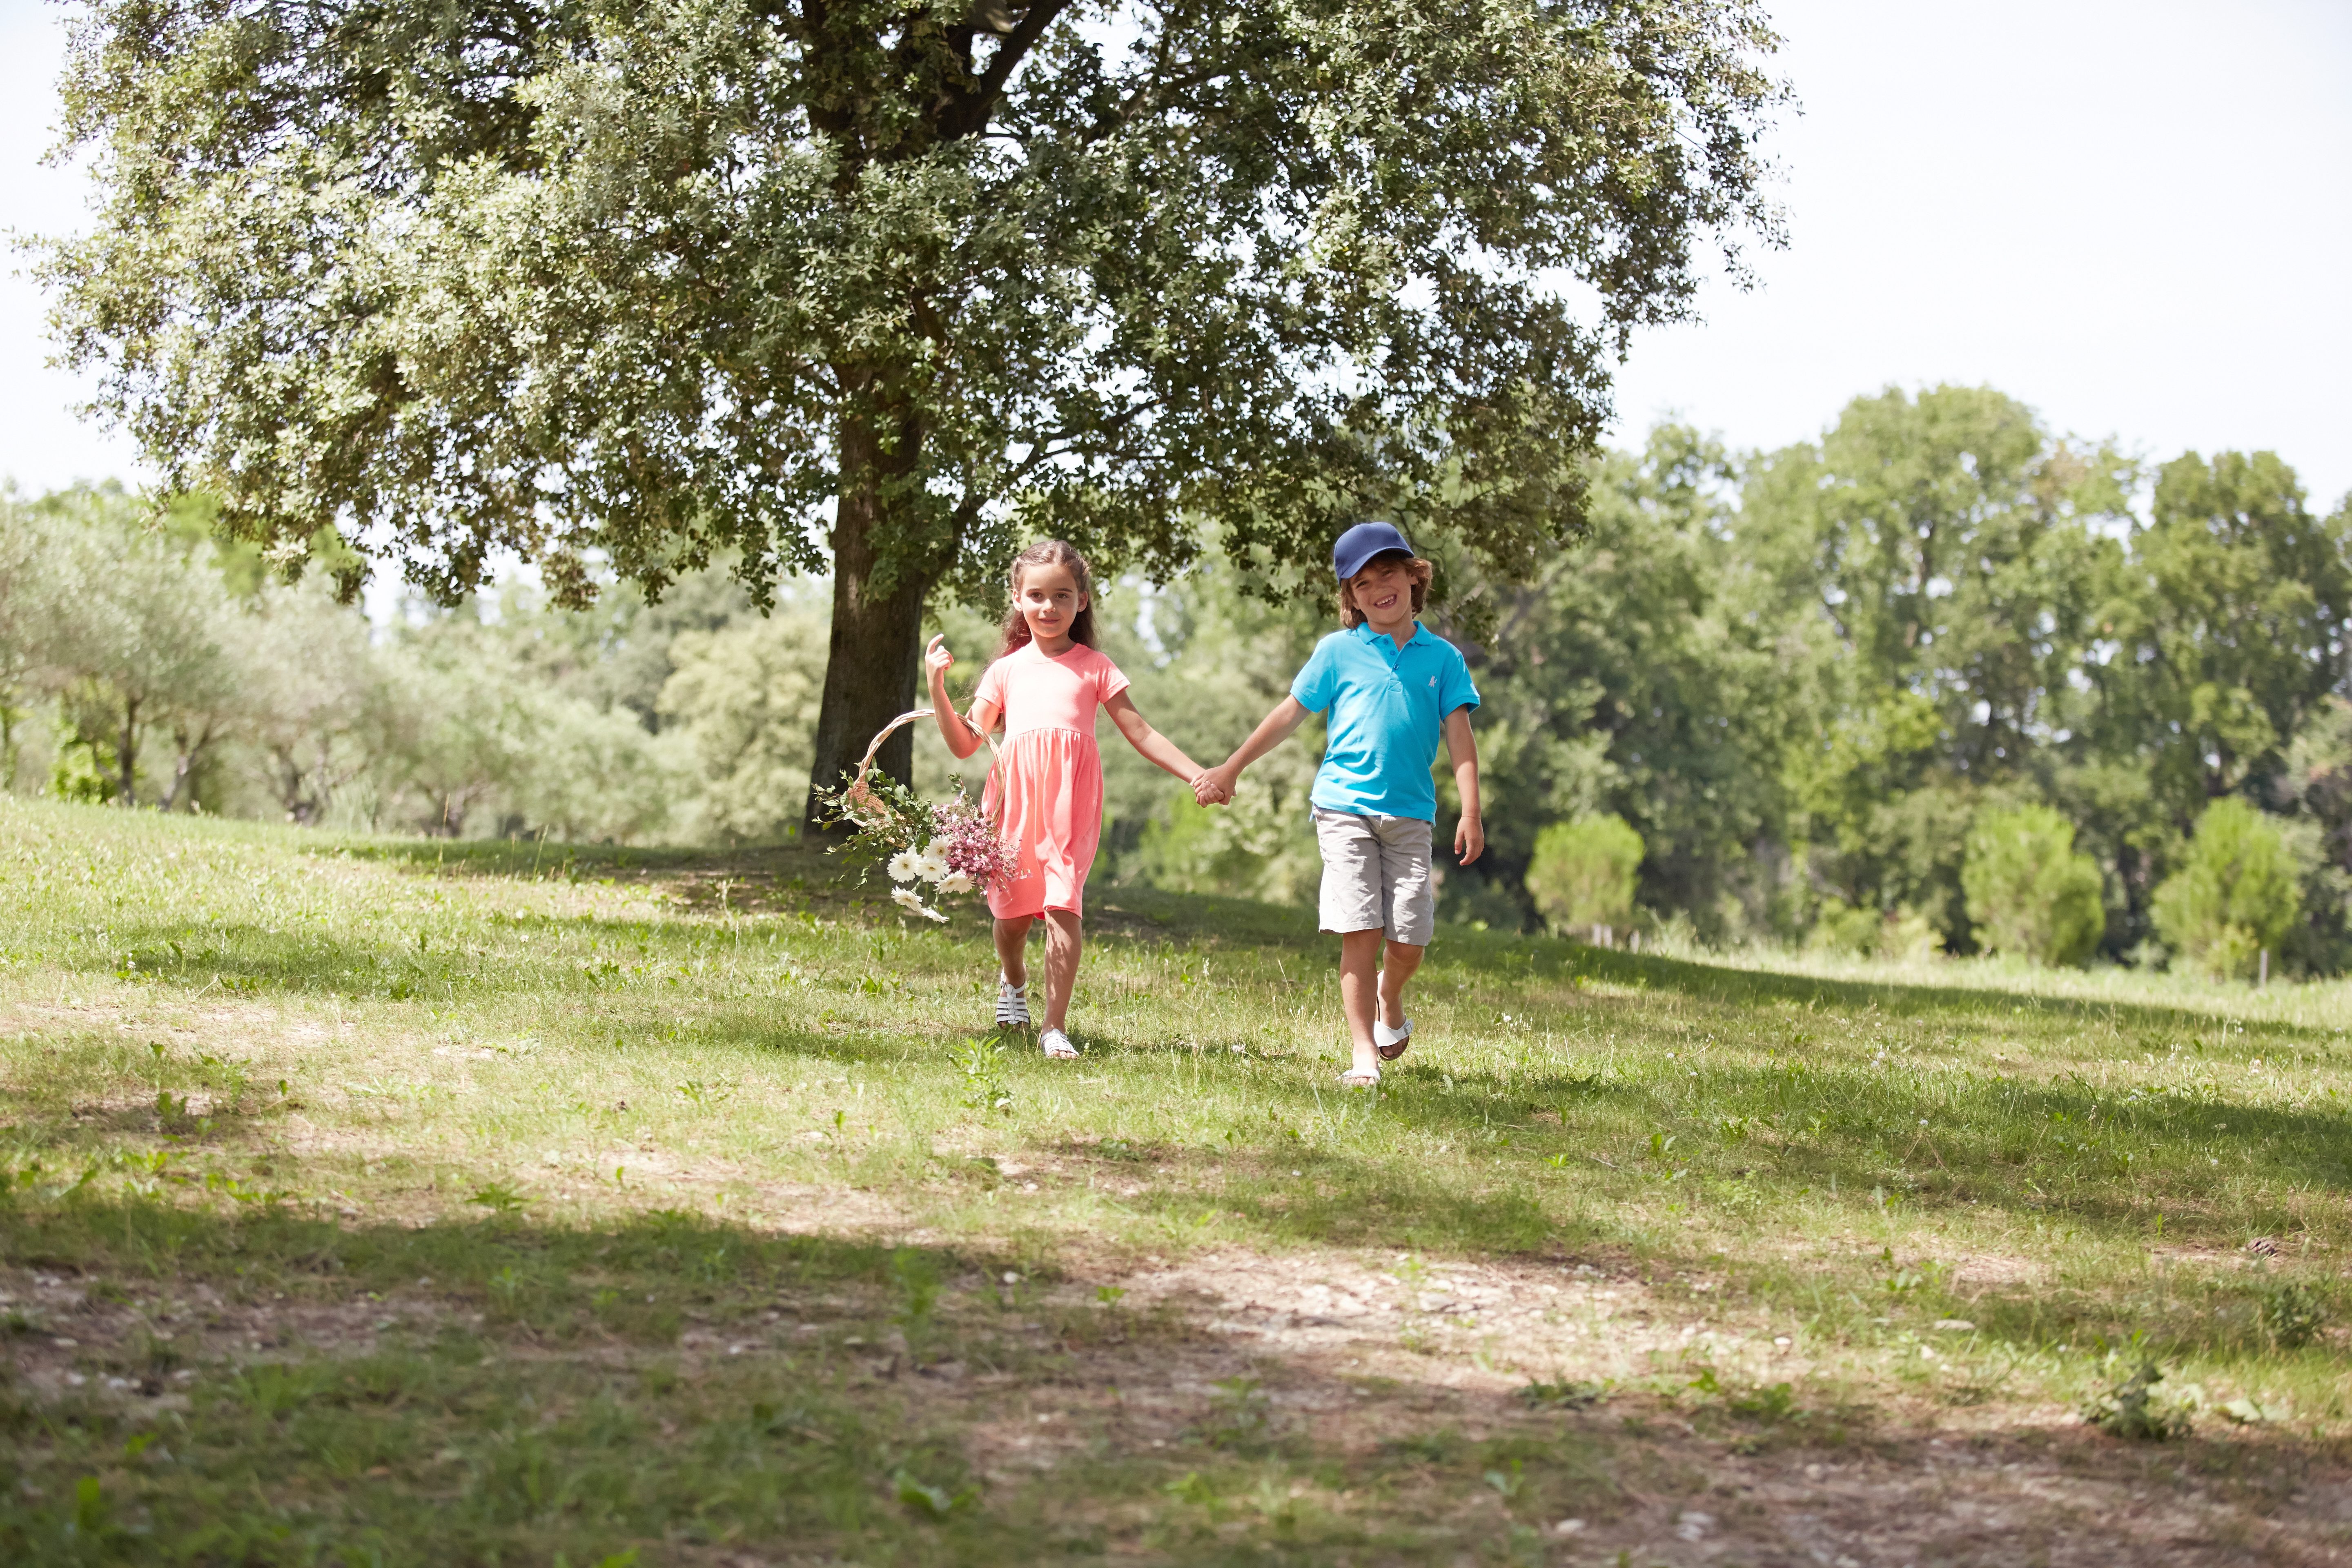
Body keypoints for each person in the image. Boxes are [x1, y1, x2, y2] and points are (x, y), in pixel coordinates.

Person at [1196, 521, 1482, 1086]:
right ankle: (1363, 1057)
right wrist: (1231, 767)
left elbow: (1461, 738)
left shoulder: (1443, 659)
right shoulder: (1337, 653)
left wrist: (1471, 810)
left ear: (1413, 577)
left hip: (1411, 816)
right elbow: (1288, 715)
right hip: (1343, 806)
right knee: (1361, 932)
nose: (1380, 587)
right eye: (1364, 581)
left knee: (1408, 941)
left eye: (1390, 573)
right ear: (1350, 596)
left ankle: (1390, 1001)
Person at [927, 540, 1224, 1058]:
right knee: (1013, 915)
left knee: (1063, 903)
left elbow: (1142, 732)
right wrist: (936, 686)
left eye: (1062, 596)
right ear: (1018, 599)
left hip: (1070, 804)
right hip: (1014, 802)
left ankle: (1053, 1027)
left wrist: (1199, 774)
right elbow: (964, 744)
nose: (1048, 607)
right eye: (1036, 595)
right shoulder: (1006, 670)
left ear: (1081, 601)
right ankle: (1013, 981)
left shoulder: (1096, 667)